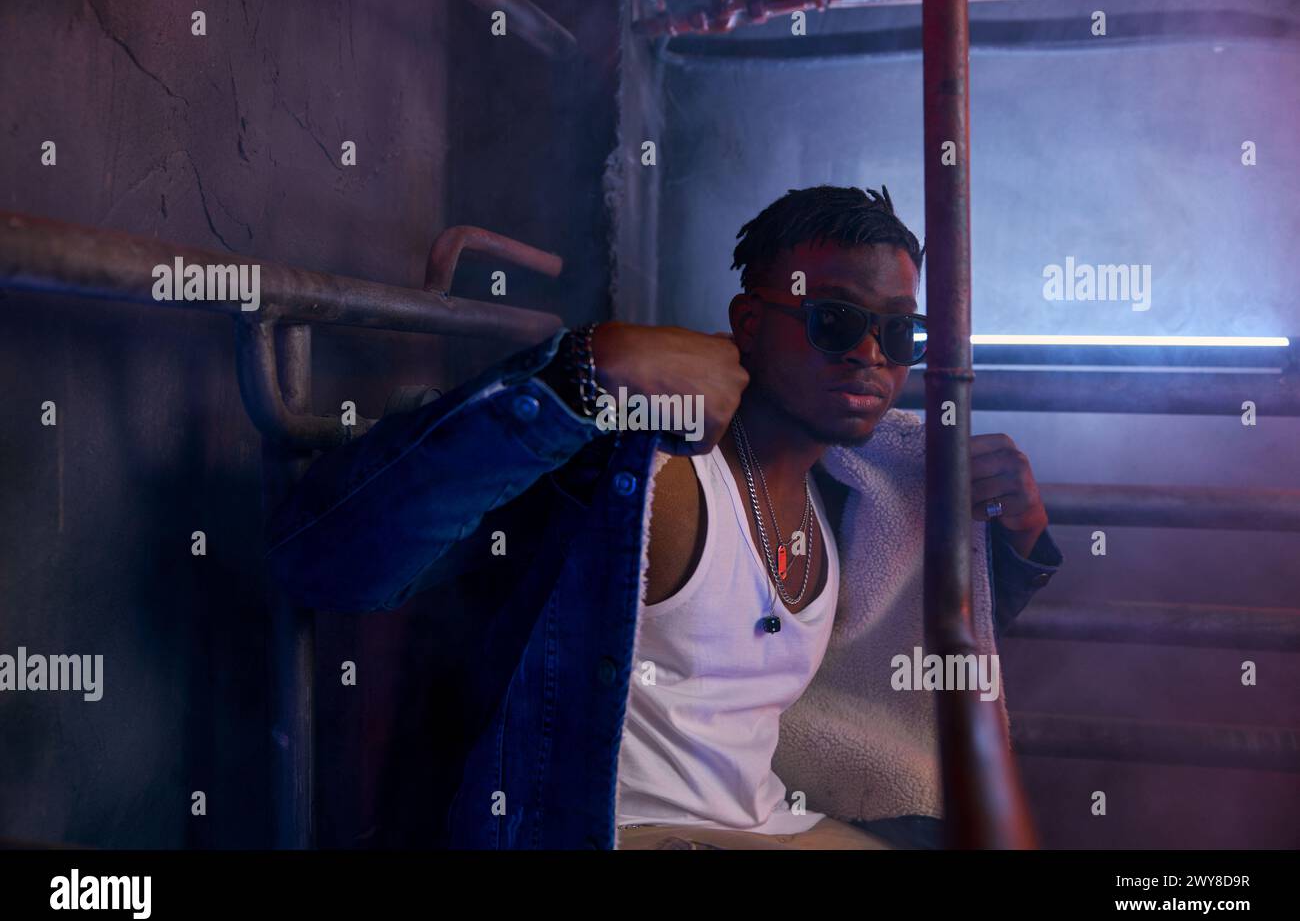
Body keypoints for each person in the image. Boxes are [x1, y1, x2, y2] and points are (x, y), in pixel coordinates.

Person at [264, 184, 1062, 850]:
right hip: (616, 830)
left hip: (766, 824)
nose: (870, 355)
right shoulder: (649, 469)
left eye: (899, 333)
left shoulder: (857, 501)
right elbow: (330, 560)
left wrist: (1016, 544)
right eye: (835, 320)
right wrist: (582, 374)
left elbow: (910, 643)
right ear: (749, 324)